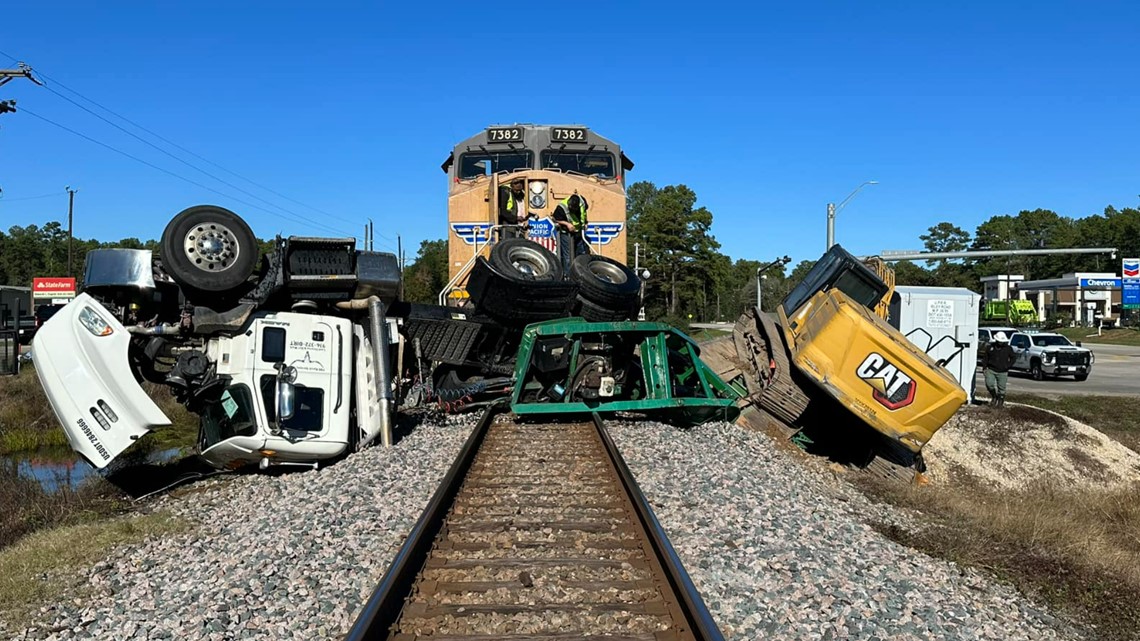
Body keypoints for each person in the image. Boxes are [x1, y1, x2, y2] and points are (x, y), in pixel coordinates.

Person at [552, 194, 589, 272]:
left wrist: (585, 223)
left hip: (579, 232)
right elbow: (555, 218)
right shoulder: (562, 207)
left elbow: (584, 212)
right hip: (566, 233)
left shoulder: (582, 201)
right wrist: (567, 224)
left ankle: (581, 273)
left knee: (581, 253)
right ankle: (568, 275)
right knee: (568, 256)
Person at [983, 331, 1015, 407]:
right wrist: (984, 368)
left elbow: (1013, 358)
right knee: (989, 384)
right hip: (991, 369)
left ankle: (1000, 402)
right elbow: (985, 358)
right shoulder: (990, 347)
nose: (1000, 343)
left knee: (1002, 388)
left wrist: (1008, 366)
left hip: (1003, 371)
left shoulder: (1008, 348)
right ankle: (994, 396)